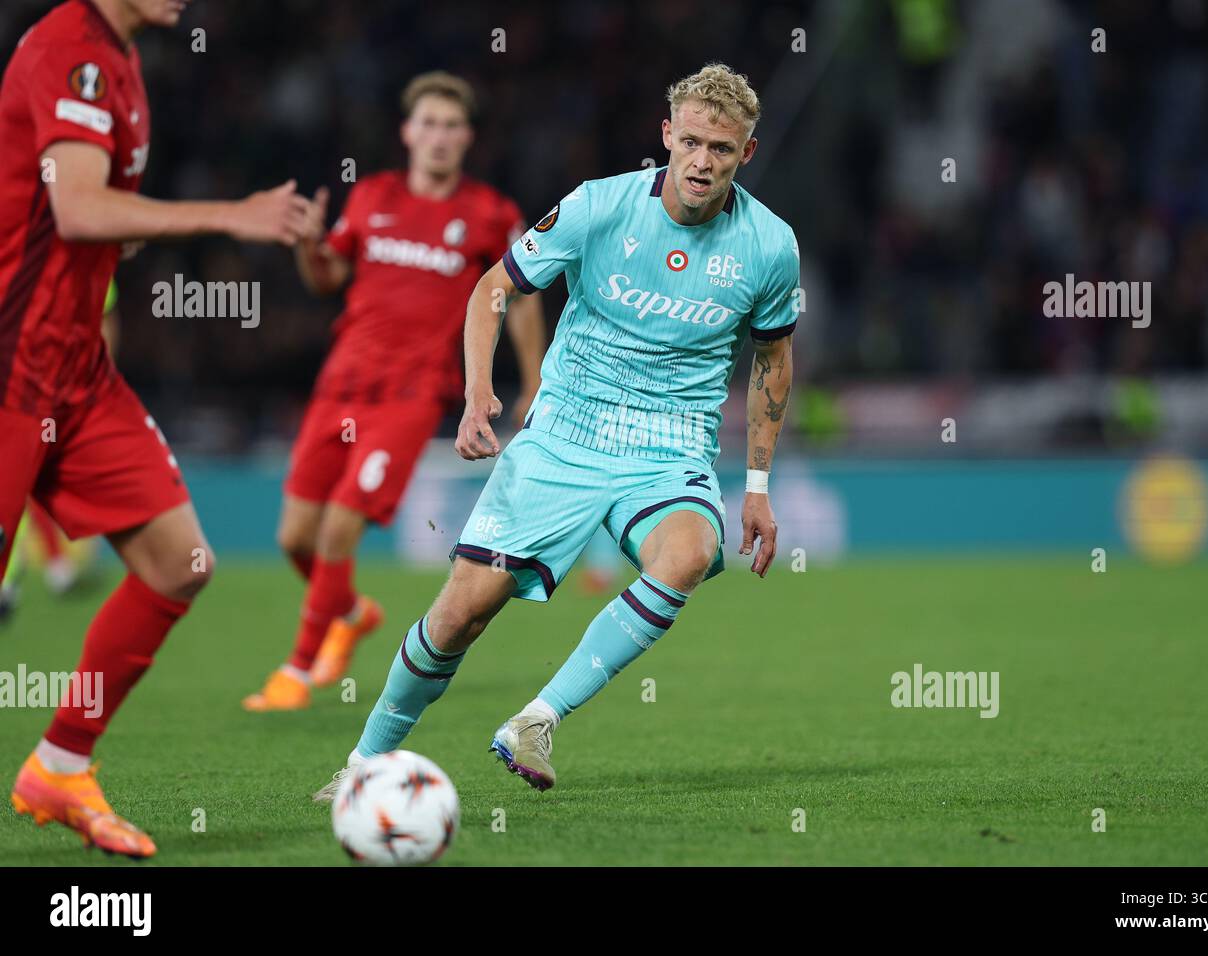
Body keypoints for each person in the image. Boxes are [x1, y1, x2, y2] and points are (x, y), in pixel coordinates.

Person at [315, 63, 797, 799]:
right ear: (667, 135)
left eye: (722, 150)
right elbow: (494, 288)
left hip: (672, 447)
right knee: (460, 615)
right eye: (692, 142)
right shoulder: (599, 207)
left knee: (690, 551)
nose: (702, 163)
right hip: (567, 429)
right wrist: (479, 395)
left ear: (747, 155)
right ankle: (363, 764)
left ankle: (536, 719)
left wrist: (757, 485)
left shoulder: (769, 245)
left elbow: (773, 362)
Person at [1, 0, 315, 857]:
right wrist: (229, 215)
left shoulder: (124, 59)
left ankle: (60, 764)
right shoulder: (73, 52)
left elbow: (70, 219)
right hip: (9, 365)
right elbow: (80, 212)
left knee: (181, 562)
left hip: (76, 370)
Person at [242, 71, 544, 711]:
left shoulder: (490, 214)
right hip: (340, 386)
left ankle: (296, 669)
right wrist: (307, 245)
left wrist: (533, 377)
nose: (438, 137)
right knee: (294, 537)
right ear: (408, 132)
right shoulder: (372, 195)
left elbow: (514, 296)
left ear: (467, 138)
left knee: (340, 526)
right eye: (427, 123)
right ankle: (348, 612)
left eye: (451, 126)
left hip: (411, 397)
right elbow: (328, 276)